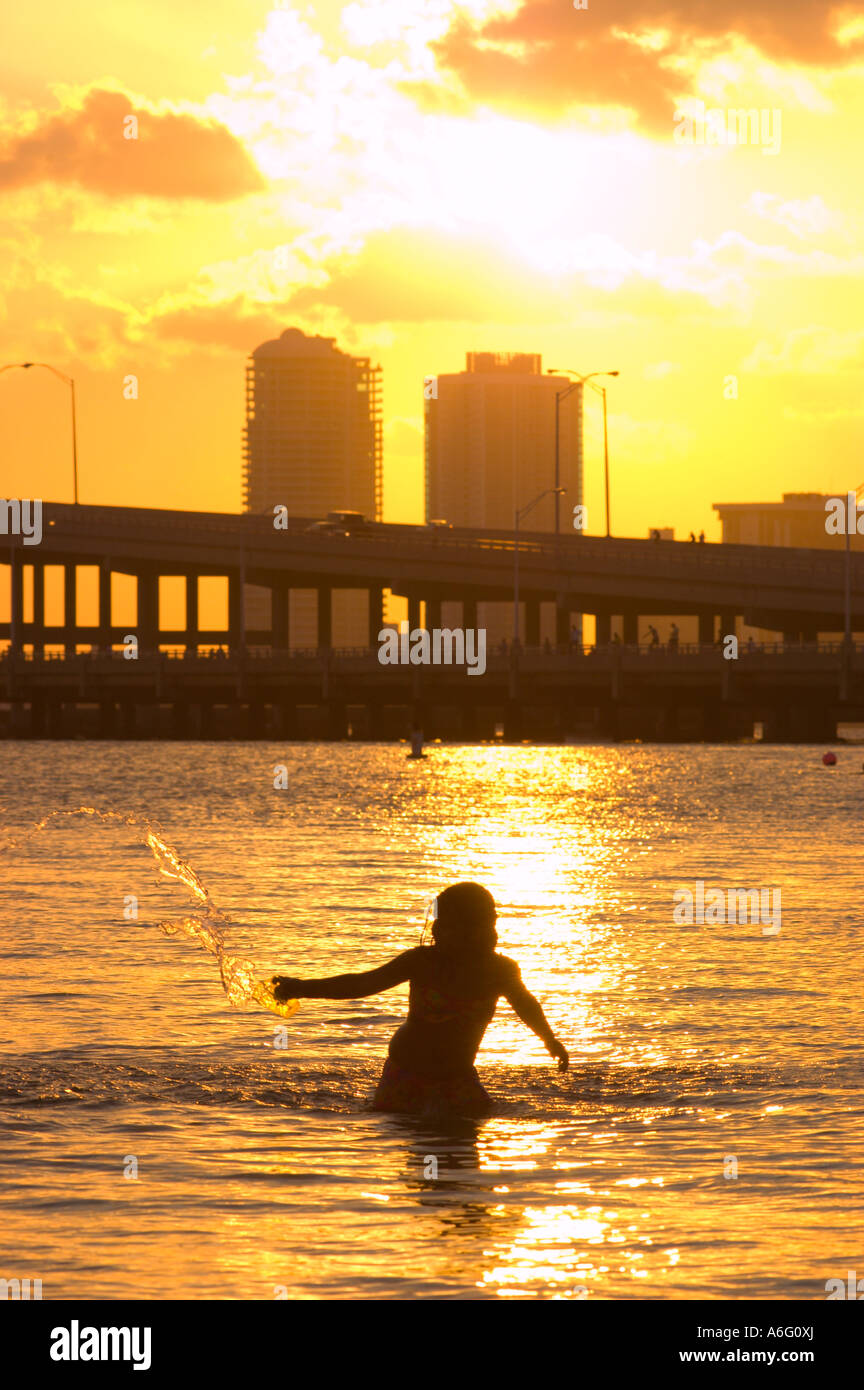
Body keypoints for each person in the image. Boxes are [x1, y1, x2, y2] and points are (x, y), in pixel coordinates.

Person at [270, 882, 568, 1116]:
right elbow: (363, 983)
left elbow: (526, 1004)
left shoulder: (500, 970)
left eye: (481, 927)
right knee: (413, 1136)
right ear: (439, 930)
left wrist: (549, 1039)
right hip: (405, 1072)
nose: (472, 937)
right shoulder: (422, 962)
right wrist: (302, 987)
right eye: (462, 928)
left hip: (457, 1077)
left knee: (463, 1147)